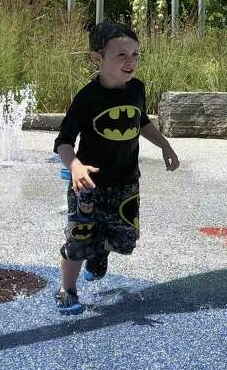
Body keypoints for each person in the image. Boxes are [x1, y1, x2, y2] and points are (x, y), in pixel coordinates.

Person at [53, 22, 180, 314]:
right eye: (121, 55)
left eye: (135, 54)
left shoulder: (136, 89)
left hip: (125, 182)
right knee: (79, 235)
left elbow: (141, 121)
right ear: (98, 57)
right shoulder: (87, 98)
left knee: (126, 240)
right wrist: (74, 166)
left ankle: (99, 253)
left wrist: (165, 145)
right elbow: (63, 142)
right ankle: (67, 289)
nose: (131, 61)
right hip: (89, 184)